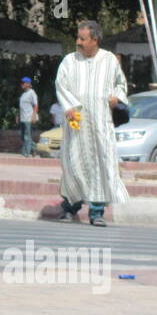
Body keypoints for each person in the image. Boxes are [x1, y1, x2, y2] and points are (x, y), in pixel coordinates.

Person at [55, 20, 129, 226]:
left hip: (100, 124)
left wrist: (116, 97)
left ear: (95, 40)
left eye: (82, 39)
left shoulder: (109, 60)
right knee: (73, 164)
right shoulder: (69, 61)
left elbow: (121, 84)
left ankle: (97, 212)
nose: (78, 42)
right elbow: (60, 85)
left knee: (100, 164)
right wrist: (69, 106)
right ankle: (70, 208)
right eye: (77, 38)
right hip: (76, 123)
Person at [18, 76, 40, 157]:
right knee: (23, 136)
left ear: (28, 84)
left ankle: (26, 153)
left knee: (27, 136)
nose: (21, 84)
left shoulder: (32, 93)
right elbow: (22, 106)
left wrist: (34, 116)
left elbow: (36, 105)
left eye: (23, 83)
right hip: (23, 118)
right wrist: (18, 116)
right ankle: (34, 148)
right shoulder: (23, 94)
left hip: (29, 118)